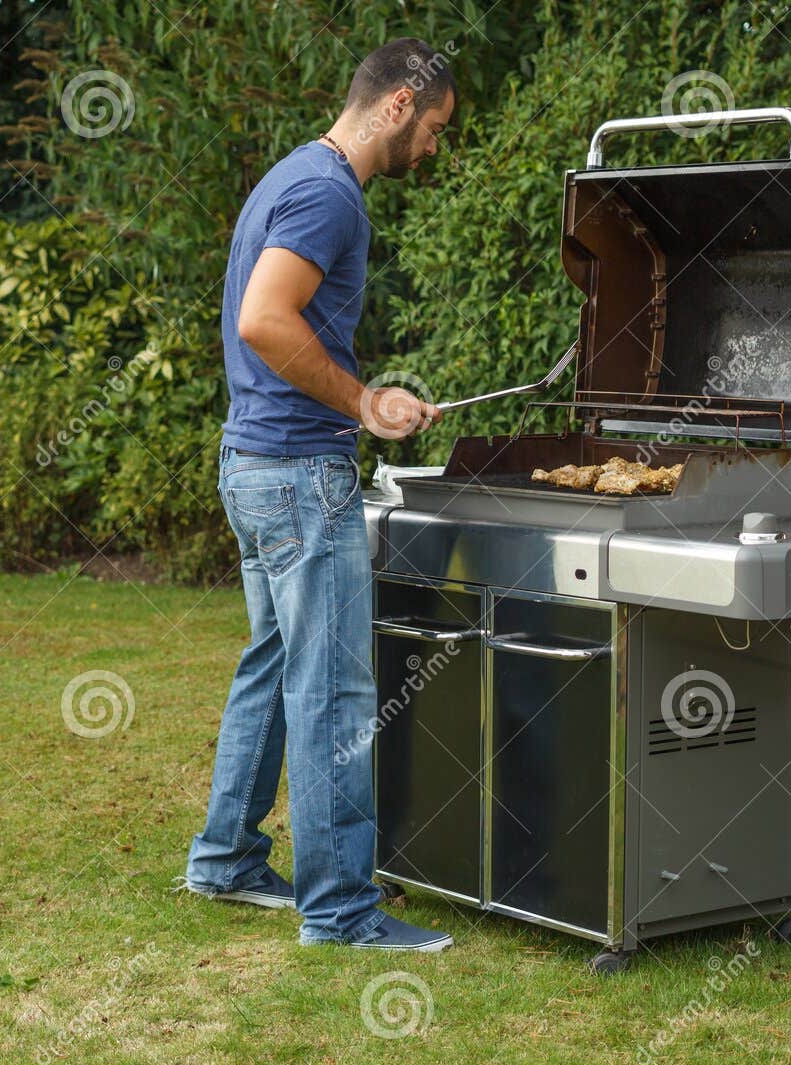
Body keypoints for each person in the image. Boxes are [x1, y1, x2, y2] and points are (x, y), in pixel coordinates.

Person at [182, 38, 454, 951]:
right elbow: (266, 319)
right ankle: (339, 910)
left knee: (272, 662)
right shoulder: (331, 194)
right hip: (299, 476)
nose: (432, 148)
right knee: (336, 689)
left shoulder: (291, 176)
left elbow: (273, 321)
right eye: (435, 129)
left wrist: (363, 399)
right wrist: (362, 401)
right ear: (400, 102)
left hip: (254, 466)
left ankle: (225, 856)